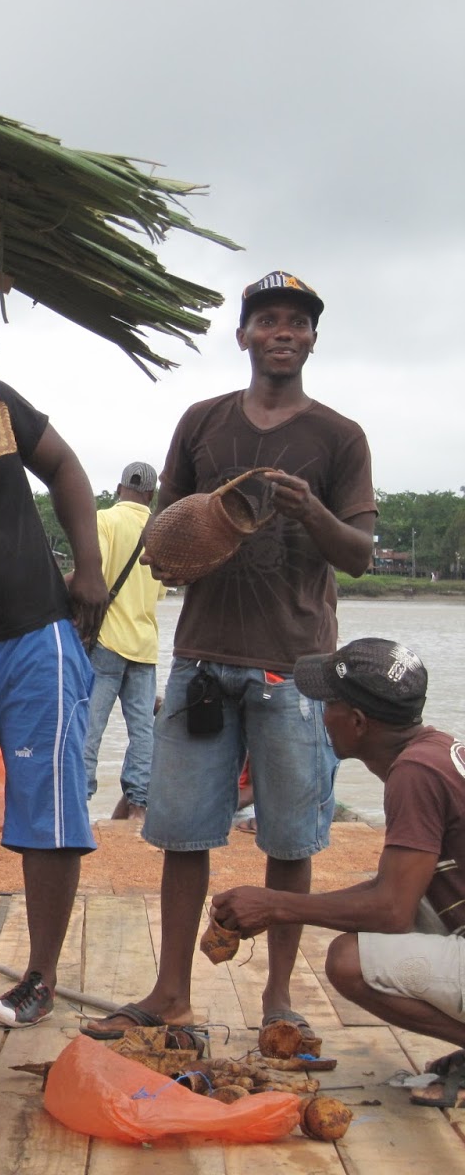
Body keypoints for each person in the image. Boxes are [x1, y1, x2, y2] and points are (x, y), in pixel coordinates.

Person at [85, 271, 377, 1044]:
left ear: (312, 339)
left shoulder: (338, 437)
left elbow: (360, 556)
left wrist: (307, 507)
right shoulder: (203, 422)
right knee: (182, 833)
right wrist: (175, 552)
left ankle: (279, 997)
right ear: (243, 335)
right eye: (268, 320)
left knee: (289, 841)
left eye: (297, 323)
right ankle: (170, 990)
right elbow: (164, 528)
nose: (283, 332)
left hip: (297, 666)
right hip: (204, 660)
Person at [210, 638, 465, 1109]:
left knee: (348, 960)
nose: (320, 713)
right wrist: (278, 906)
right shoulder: (437, 750)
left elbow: (390, 910)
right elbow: (396, 893)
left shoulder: (415, 774)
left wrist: (274, 904)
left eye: (329, 703)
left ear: (358, 723)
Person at [0, 375, 108, 1027]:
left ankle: (40, 978)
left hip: (34, 635)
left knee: (49, 810)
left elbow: (63, 465)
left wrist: (90, 566)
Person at [79, 461, 165, 822]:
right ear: (151, 495)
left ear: (118, 489)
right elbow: (159, 592)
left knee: (90, 726)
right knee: (143, 730)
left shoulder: (104, 520)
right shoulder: (160, 530)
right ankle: (139, 807)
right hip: (144, 645)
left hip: (108, 643)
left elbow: (91, 576)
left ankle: (79, 800)